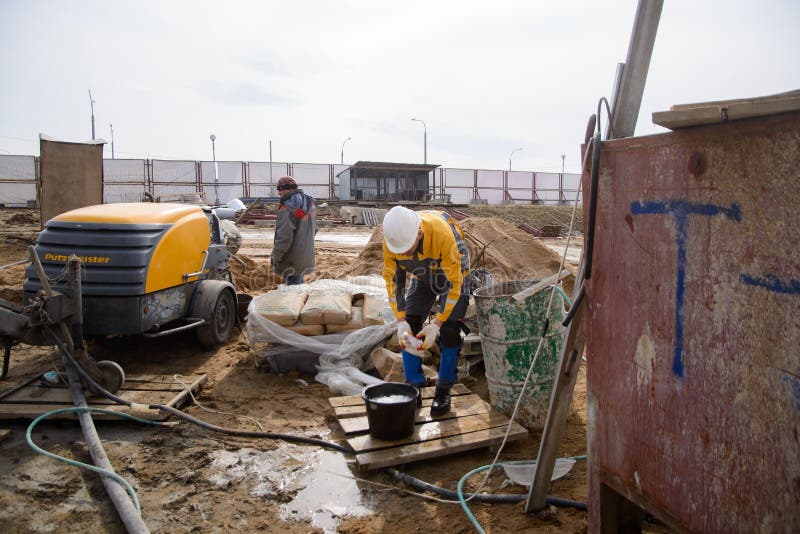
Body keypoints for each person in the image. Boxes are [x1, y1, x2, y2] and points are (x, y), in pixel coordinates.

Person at [381, 205, 470, 416]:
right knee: (410, 326)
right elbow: (393, 284)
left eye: (407, 249)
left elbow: (454, 285)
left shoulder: (442, 235)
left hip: (453, 274)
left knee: (449, 330)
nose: (403, 253)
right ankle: (414, 385)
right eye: (400, 251)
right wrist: (401, 320)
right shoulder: (393, 241)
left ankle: (444, 389)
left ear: (419, 234)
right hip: (422, 276)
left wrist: (437, 324)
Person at [271, 176, 317, 285]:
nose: (279, 193)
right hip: (305, 256)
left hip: (291, 260)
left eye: (280, 189)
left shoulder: (287, 208)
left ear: (288, 189)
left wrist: (275, 257)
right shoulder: (309, 204)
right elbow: (315, 229)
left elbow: (284, 238)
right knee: (298, 287)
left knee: (293, 290)